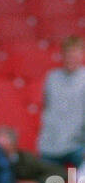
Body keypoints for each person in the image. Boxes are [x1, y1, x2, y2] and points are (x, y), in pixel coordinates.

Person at [36, 36, 85, 169]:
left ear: (82, 55)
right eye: (68, 54)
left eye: (75, 55)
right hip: (51, 144)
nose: (72, 59)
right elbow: (47, 108)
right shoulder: (52, 77)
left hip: (79, 145)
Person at [0, 125, 67, 183]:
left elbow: (62, 173)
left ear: (13, 146)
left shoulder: (26, 161)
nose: (1, 152)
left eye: (4, 148)